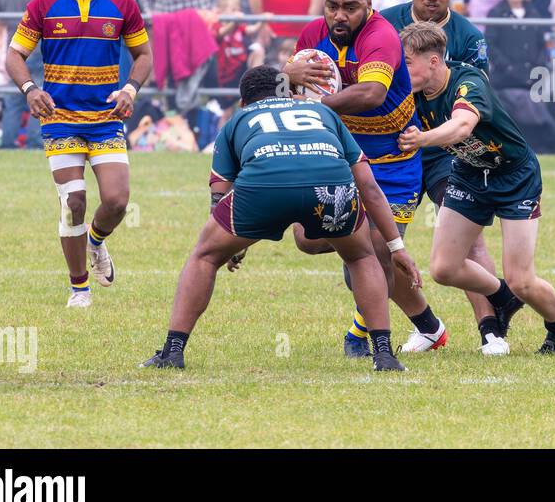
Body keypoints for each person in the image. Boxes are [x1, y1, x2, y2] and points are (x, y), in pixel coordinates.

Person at [140, 65, 418, 372]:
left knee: (205, 256)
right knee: (363, 256)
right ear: (285, 91)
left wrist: (231, 244)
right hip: (328, 187)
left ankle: (172, 352)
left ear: (243, 102)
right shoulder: (324, 114)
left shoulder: (238, 120)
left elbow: (219, 196)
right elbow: (369, 188)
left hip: (265, 188)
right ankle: (384, 355)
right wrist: (396, 247)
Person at [281, 0, 435, 358]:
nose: (339, 15)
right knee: (307, 240)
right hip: (341, 163)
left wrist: (316, 103)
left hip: (392, 163)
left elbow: (369, 94)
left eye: (350, 7)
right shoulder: (313, 36)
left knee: (372, 255)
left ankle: (361, 335)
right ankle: (430, 327)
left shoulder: (380, 35)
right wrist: (286, 75)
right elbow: (286, 93)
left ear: (368, 4)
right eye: (332, 5)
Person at [399, 21, 555, 353]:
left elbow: (463, 126)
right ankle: (501, 295)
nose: (400, 70)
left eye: (406, 62)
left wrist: (422, 140)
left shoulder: (468, 81)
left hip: (515, 177)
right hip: (469, 174)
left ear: (434, 62)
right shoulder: (412, 94)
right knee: (443, 267)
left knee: (522, 279)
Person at [3, 0, 154, 308]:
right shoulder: (44, 4)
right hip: (60, 119)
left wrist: (130, 89)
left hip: (106, 118)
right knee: (74, 200)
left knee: (118, 200)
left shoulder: (121, 3)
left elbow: (144, 55)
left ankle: (96, 241)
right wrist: (31, 90)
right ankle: (79, 287)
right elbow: (14, 55)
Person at [382, 0, 506, 352]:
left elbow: (476, 99)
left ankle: (492, 331)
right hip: (392, 150)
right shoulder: (383, 25)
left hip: (445, 153)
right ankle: (426, 326)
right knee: (379, 245)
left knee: (469, 243)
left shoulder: (469, 38)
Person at [0, 0, 48, 149]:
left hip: (13, 48)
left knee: (13, 99)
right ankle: (34, 141)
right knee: (38, 93)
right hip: (36, 48)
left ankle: (8, 141)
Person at [484, 0, 546, 90]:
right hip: (503, 81)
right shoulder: (496, 13)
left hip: (532, 81)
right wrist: (508, 68)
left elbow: (541, 45)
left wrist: (538, 69)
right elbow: (489, 45)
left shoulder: (534, 14)